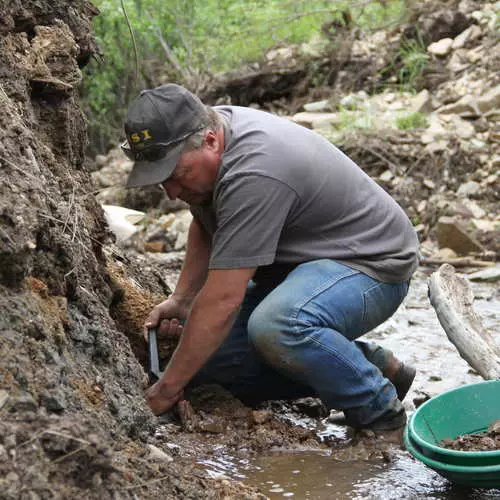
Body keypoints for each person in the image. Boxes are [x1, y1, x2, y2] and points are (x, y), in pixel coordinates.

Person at [121, 83, 419, 435]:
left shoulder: (254, 171)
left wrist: (165, 390)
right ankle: (370, 366)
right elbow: (205, 223)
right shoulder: (204, 140)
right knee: (215, 366)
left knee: (279, 325)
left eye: (174, 176)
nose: (171, 193)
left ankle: (380, 414)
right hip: (305, 266)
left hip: (371, 265)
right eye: (162, 182)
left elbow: (222, 301)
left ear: (211, 142)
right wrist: (183, 298)